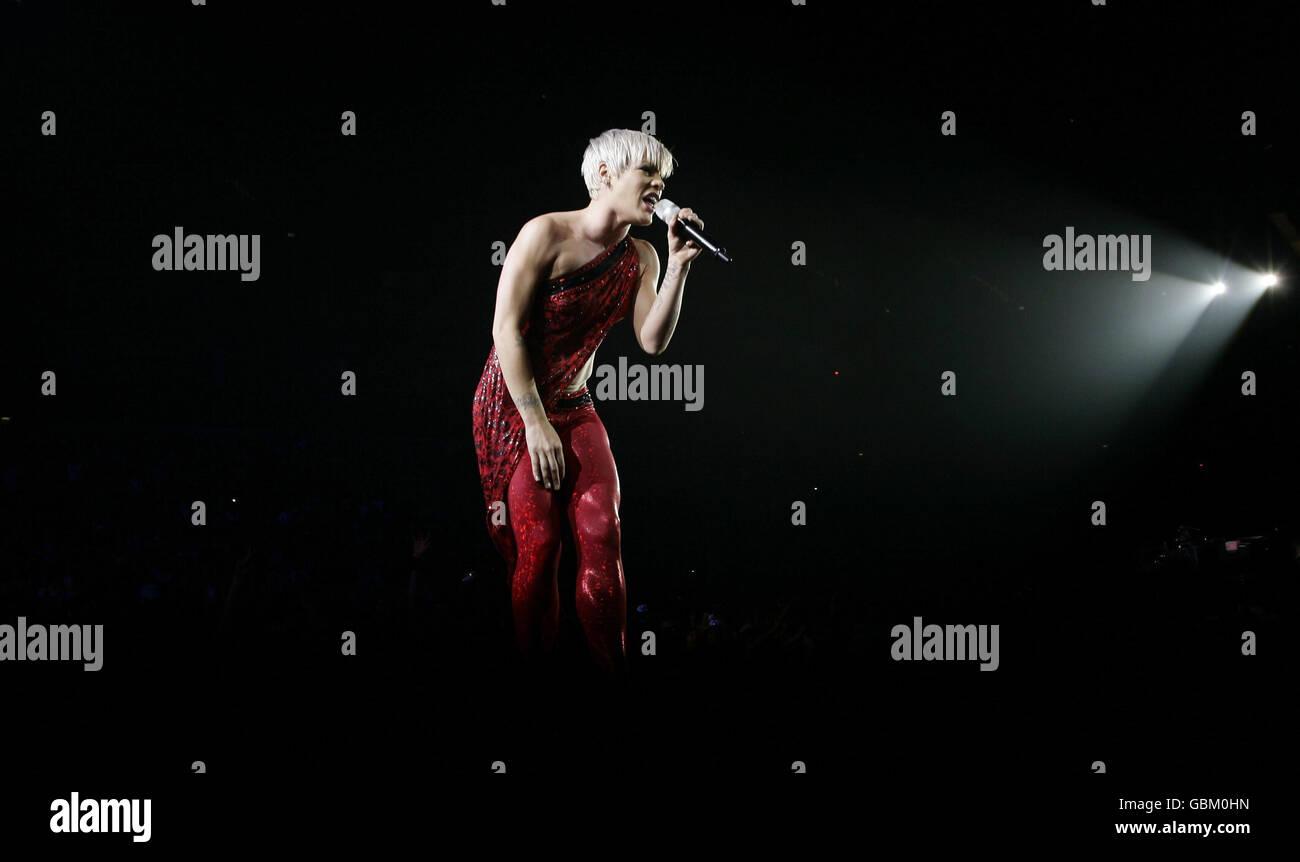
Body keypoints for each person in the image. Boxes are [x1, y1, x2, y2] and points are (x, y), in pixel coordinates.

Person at [472, 128, 704, 675]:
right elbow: (505, 331)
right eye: (648, 174)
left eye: (664, 179)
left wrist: (677, 266)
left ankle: (611, 673)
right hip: (513, 403)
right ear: (605, 175)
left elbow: (651, 341)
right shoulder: (545, 234)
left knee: (604, 529)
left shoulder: (640, 255)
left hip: (576, 403)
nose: (658, 186)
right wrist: (534, 422)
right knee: (542, 543)